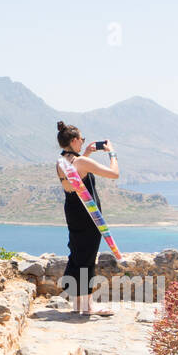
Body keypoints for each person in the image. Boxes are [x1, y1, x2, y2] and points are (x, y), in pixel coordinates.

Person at [55, 121, 120, 316]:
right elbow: (114, 174)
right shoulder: (81, 162)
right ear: (74, 140)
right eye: (81, 139)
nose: (83, 142)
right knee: (88, 256)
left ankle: (78, 303)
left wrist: (88, 153)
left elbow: (76, 173)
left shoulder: (62, 162)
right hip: (88, 215)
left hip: (73, 211)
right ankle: (89, 306)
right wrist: (112, 153)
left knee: (77, 253)